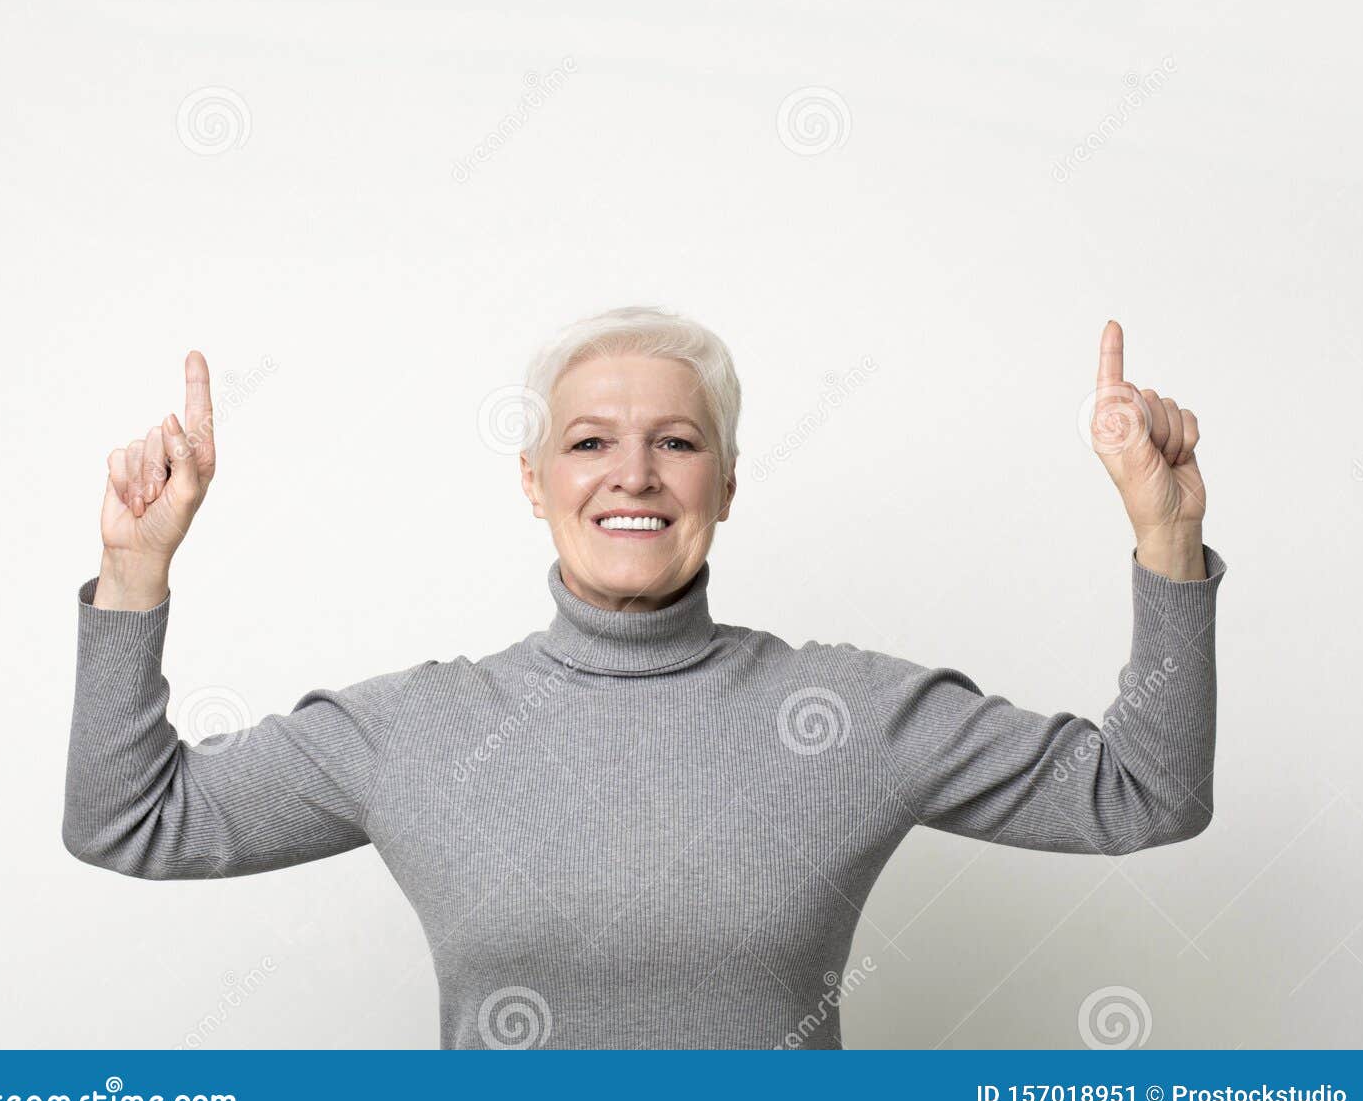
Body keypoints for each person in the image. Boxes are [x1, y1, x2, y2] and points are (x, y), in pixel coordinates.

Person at [63, 306, 1225, 1050]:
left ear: (725, 483)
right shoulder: (415, 728)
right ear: (534, 482)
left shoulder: (855, 716)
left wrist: (1165, 541)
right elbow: (131, 820)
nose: (634, 473)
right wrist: (132, 570)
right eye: (587, 441)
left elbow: (1142, 793)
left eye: (676, 441)